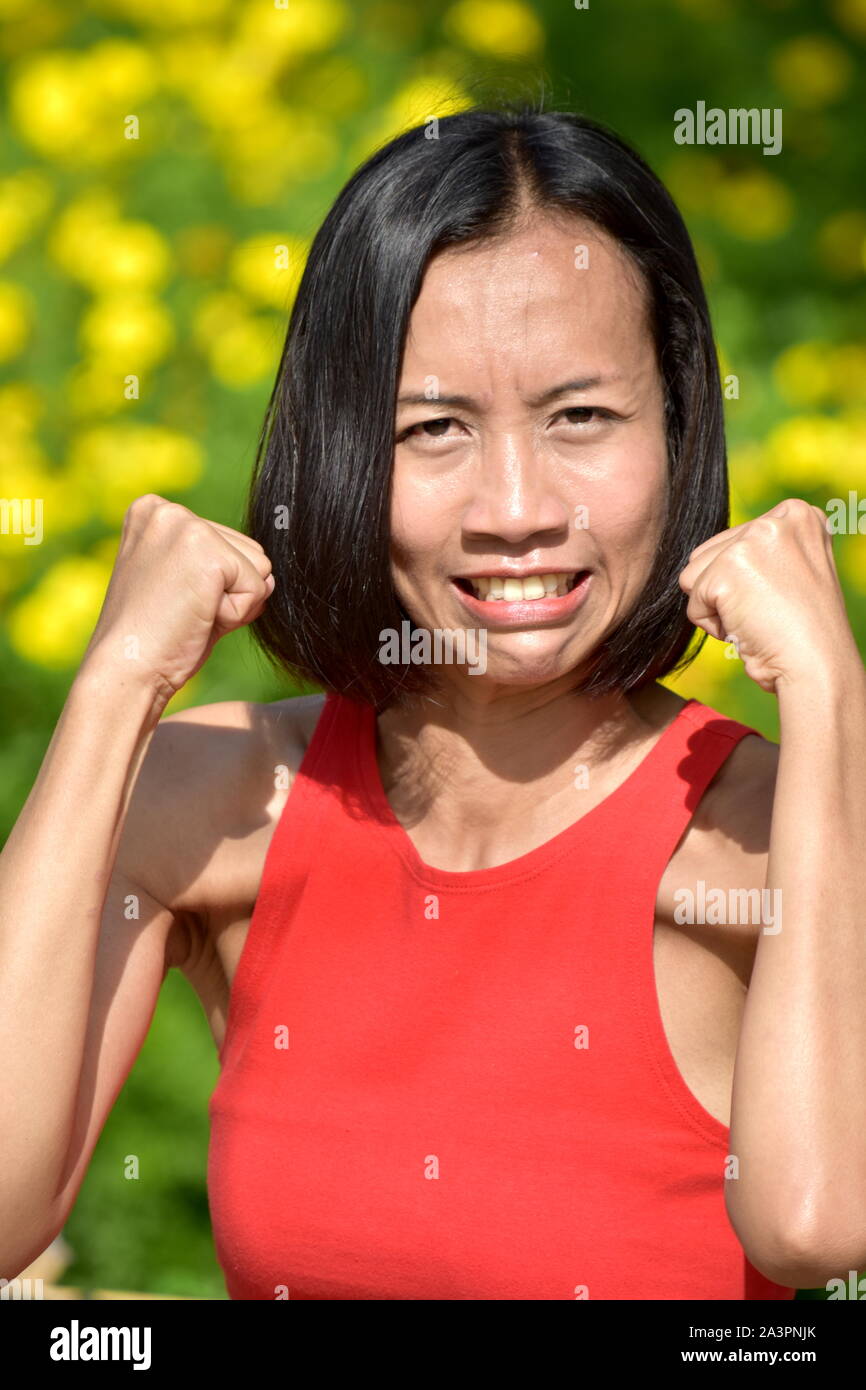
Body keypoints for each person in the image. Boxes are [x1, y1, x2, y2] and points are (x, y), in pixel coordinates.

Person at [2, 103, 865, 1302]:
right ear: (341, 447)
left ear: (676, 424)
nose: (513, 506)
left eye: (580, 417)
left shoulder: (769, 831)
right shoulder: (213, 807)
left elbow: (816, 1226)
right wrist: (114, 688)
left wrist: (832, 698)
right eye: (433, 428)